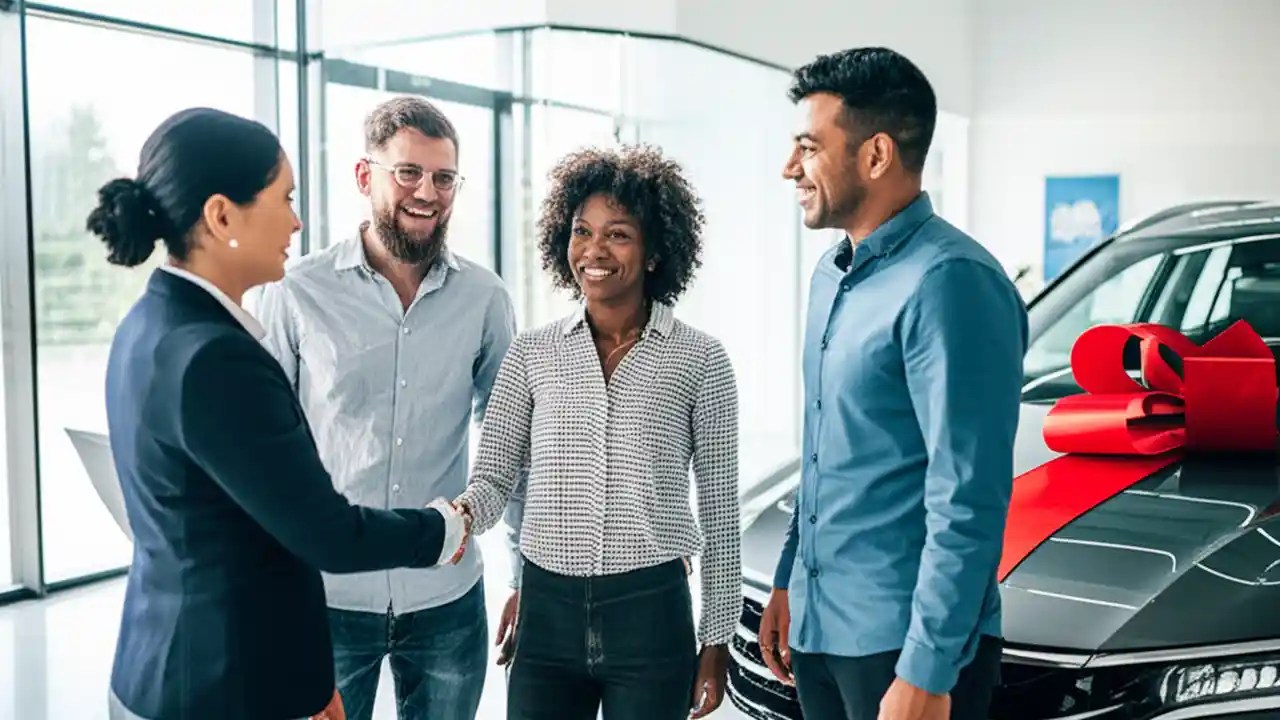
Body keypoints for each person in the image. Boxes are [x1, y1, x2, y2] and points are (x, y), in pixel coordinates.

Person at [90, 107, 469, 720]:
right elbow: (324, 532)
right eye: (284, 198)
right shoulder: (218, 358)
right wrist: (444, 528)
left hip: (161, 665)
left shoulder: (150, 323)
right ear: (221, 216)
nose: (296, 220)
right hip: (222, 684)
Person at [757, 47, 1028, 720]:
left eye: (808, 147)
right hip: (822, 632)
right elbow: (826, 447)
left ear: (875, 155)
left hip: (903, 647)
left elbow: (968, 494)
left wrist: (928, 673)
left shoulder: (952, 283)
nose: (789, 167)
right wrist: (789, 580)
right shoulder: (831, 275)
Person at [252, 95, 521, 720]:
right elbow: (266, 451)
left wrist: (523, 572)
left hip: (447, 598)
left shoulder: (485, 298)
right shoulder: (296, 291)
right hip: (325, 601)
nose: (427, 192)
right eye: (409, 172)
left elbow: (512, 439)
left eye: (444, 177)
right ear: (365, 175)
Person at [452, 145, 741, 720]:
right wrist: (452, 518)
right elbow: (493, 481)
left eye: (618, 235)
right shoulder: (532, 353)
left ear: (655, 249)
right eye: (582, 231)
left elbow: (720, 512)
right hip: (547, 617)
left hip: (651, 617)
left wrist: (717, 640)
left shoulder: (701, 360)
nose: (594, 251)